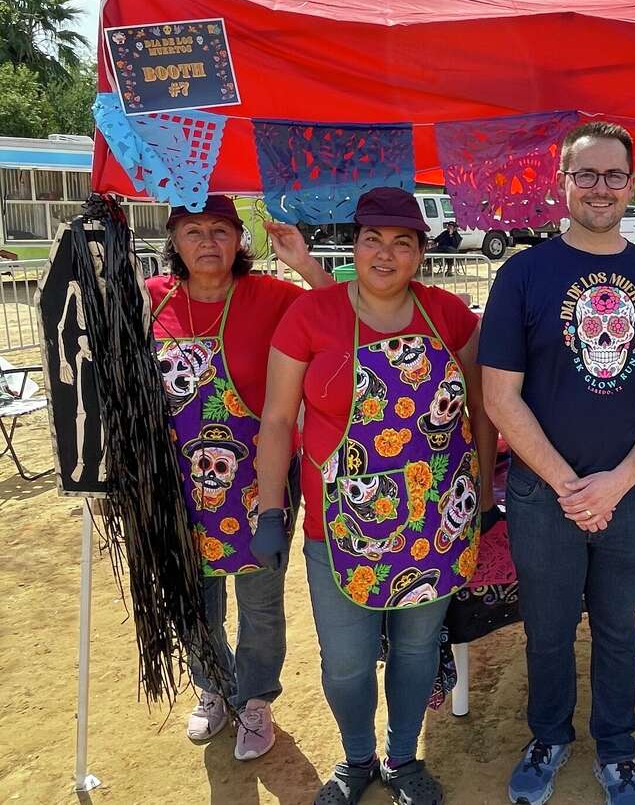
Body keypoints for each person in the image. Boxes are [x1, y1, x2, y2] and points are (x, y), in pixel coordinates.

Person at [255, 187, 497, 805]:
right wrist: (270, 510)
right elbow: (279, 421)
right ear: (354, 245)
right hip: (339, 530)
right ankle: (357, 757)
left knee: (417, 650)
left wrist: (484, 493)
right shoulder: (312, 317)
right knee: (347, 662)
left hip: (436, 524)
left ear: (421, 252)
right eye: (372, 240)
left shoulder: (451, 317)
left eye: (402, 243)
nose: (385, 255)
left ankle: (403, 757)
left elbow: (483, 410)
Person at [480, 122, 635, 805]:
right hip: (546, 496)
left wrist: (619, 481)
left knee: (617, 629)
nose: (600, 188)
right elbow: (499, 394)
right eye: (586, 175)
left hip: (629, 493)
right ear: (563, 183)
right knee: (546, 628)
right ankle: (547, 737)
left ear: (630, 185)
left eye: (612, 176)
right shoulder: (522, 274)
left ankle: (617, 749)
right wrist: (570, 485)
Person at [149, 194, 332, 760]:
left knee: (259, 601)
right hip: (177, 484)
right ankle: (215, 688)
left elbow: (339, 309)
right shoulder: (151, 301)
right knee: (192, 597)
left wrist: (302, 261)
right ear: (175, 241)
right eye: (194, 231)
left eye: (221, 230)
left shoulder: (271, 296)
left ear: (240, 239)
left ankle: (254, 702)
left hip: (259, 480)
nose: (208, 242)